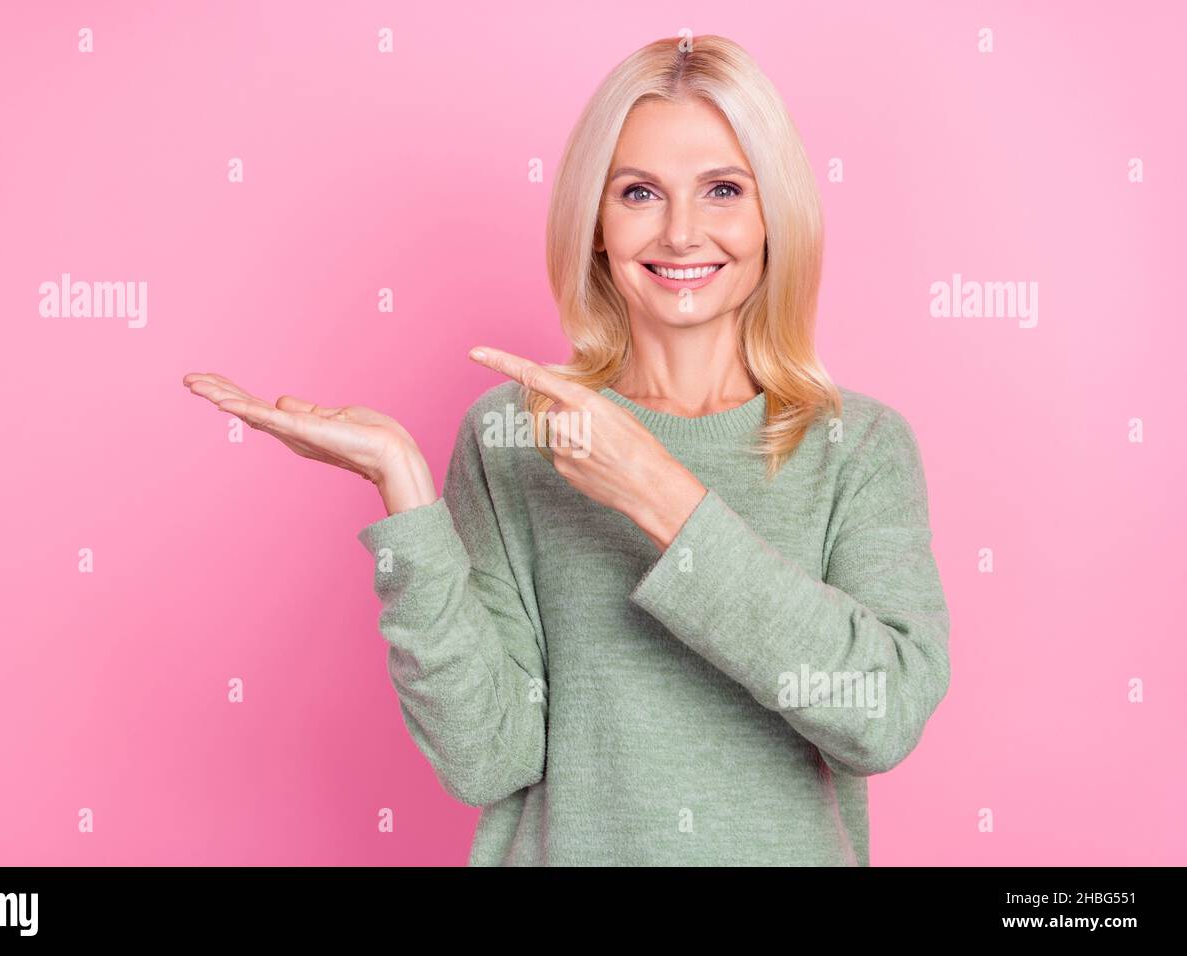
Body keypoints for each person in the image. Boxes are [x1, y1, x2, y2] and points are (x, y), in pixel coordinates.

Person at [182, 34, 951, 866]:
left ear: (775, 216)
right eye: (640, 193)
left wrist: (657, 491)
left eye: (724, 189)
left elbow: (881, 714)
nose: (682, 232)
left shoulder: (857, 446)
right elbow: (488, 759)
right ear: (595, 224)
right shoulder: (515, 438)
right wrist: (403, 491)